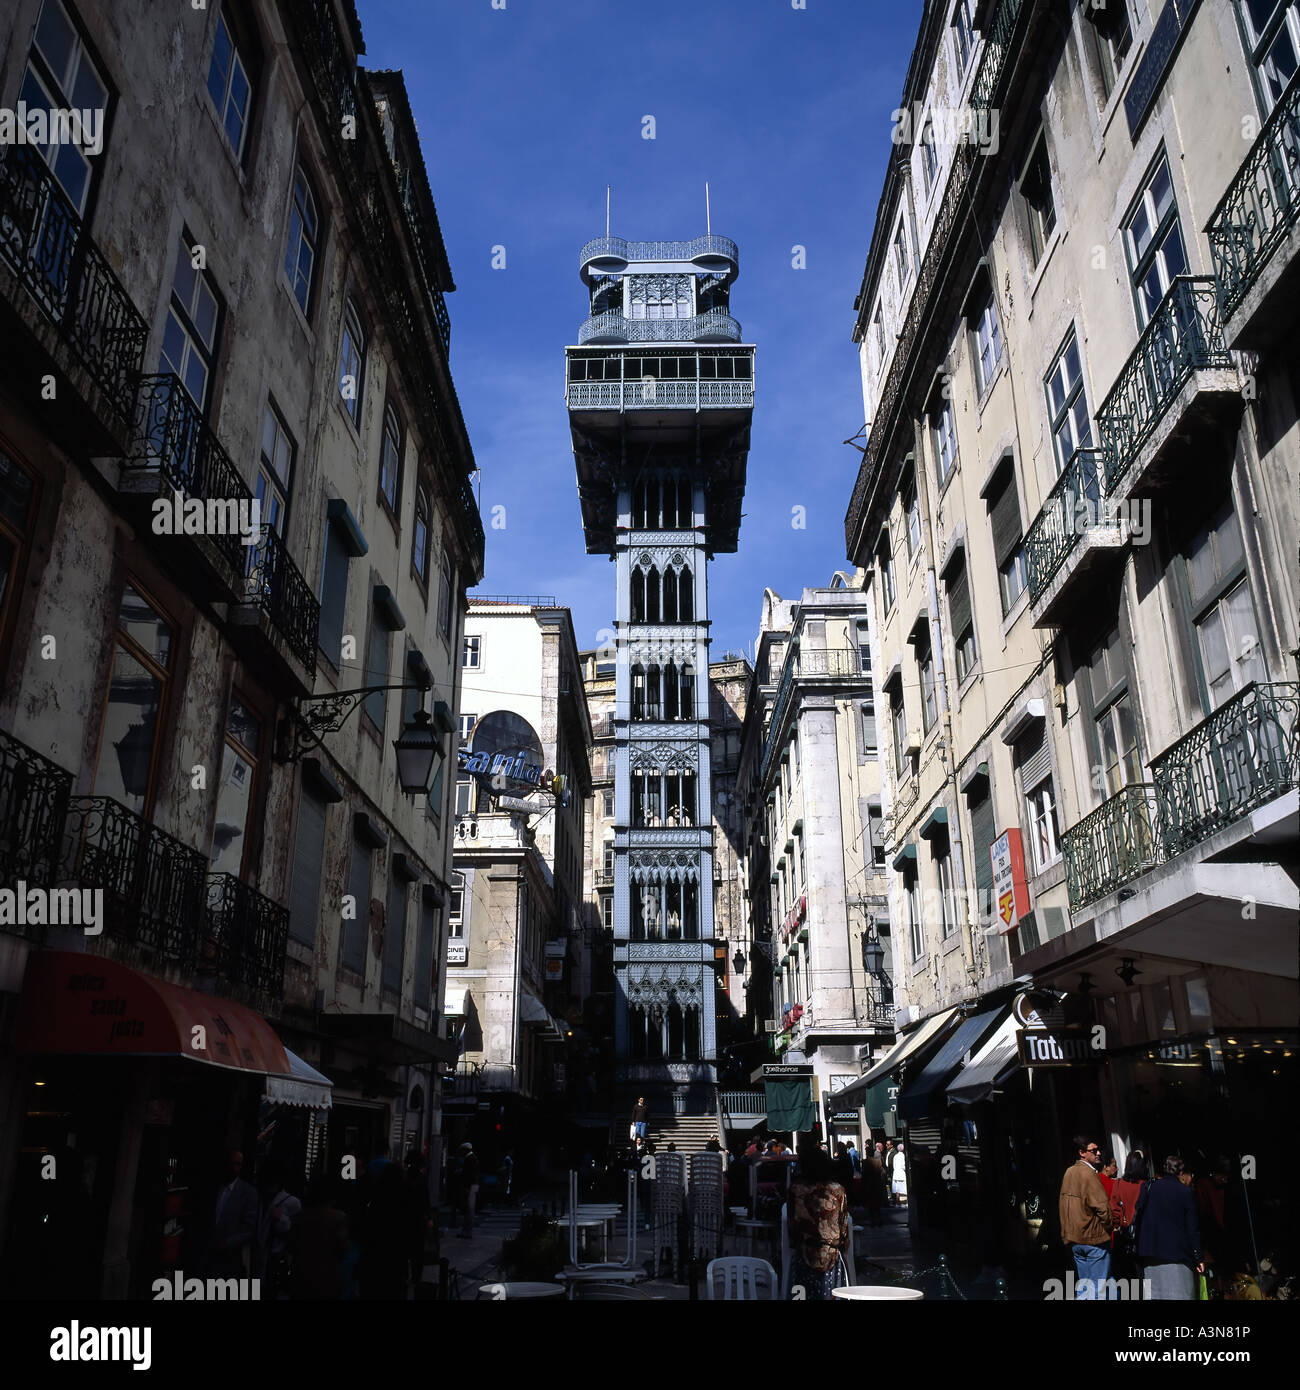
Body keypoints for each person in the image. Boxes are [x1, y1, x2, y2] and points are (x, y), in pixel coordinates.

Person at [786, 1143, 851, 1300]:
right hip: (832, 1257)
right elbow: (843, 1227)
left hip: (804, 1255)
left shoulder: (796, 1189)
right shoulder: (838, 1190)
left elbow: (791, 1226)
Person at [1136, 1156, 1204, 1300]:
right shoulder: (1186, 1193)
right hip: (1177, 1256)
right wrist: (1198, 1257)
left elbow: (1139, 1214)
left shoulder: (1148, 1186)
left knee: (1154, 1295)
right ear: (1182, 1173)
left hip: (1150, 1254)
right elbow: (1193, 1229)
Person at [1058, 1134, 1114, 1298]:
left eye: (1098, 1150)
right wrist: (1108, 1227)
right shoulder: (1089, 1174)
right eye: (1094, 1150)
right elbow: (1103, 1207)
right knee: (1099, 1289)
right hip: (1093, 1239)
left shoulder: (1069, 1172)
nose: (1098, 1153)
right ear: (1082, 1153)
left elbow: (1064, 1205)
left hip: (1076, 1239)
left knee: (1086, 1289)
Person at [290, 1176, 349, 1299]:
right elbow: (342, 1249)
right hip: (328, 1280)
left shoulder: (300, 1216)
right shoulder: (339, 1218)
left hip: (302, 1278)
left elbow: (292, 1245)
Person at [207, 1149, 259, 1278]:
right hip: (210, 1254)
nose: (232, 1167)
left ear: (241, 1167)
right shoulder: (216, 1188)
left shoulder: (248, 1193)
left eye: (237, 1164)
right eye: (230, 1163)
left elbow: (250, 1229)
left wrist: (227, 1243)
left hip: (231, 1258)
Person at [255, 1158, 302, 1298]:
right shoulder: (259, 1198)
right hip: (260, 1255)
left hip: (276, 1256)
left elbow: (294, 1233)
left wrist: (281, 1220)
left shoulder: (292, 1202)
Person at [1110, 1152, 1149, 1277]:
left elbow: (1114, 1210)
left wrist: (1119, 1224)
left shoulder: (1118, 1184)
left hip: (1125, 1236)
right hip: (1144, 1234)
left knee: (1129, 1276)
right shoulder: (1146, 1185)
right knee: (1146, 1275)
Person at [458, 1141, 481, 1238]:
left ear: (465, 1150)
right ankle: (466, 1231)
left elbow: (469, 1175)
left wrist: (466, 1187)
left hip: (470, 1186)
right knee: (469, 1209)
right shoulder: (473, 1158)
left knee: (469, 1209)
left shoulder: (470, 1159)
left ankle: (467, 1231)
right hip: (473, 1185)